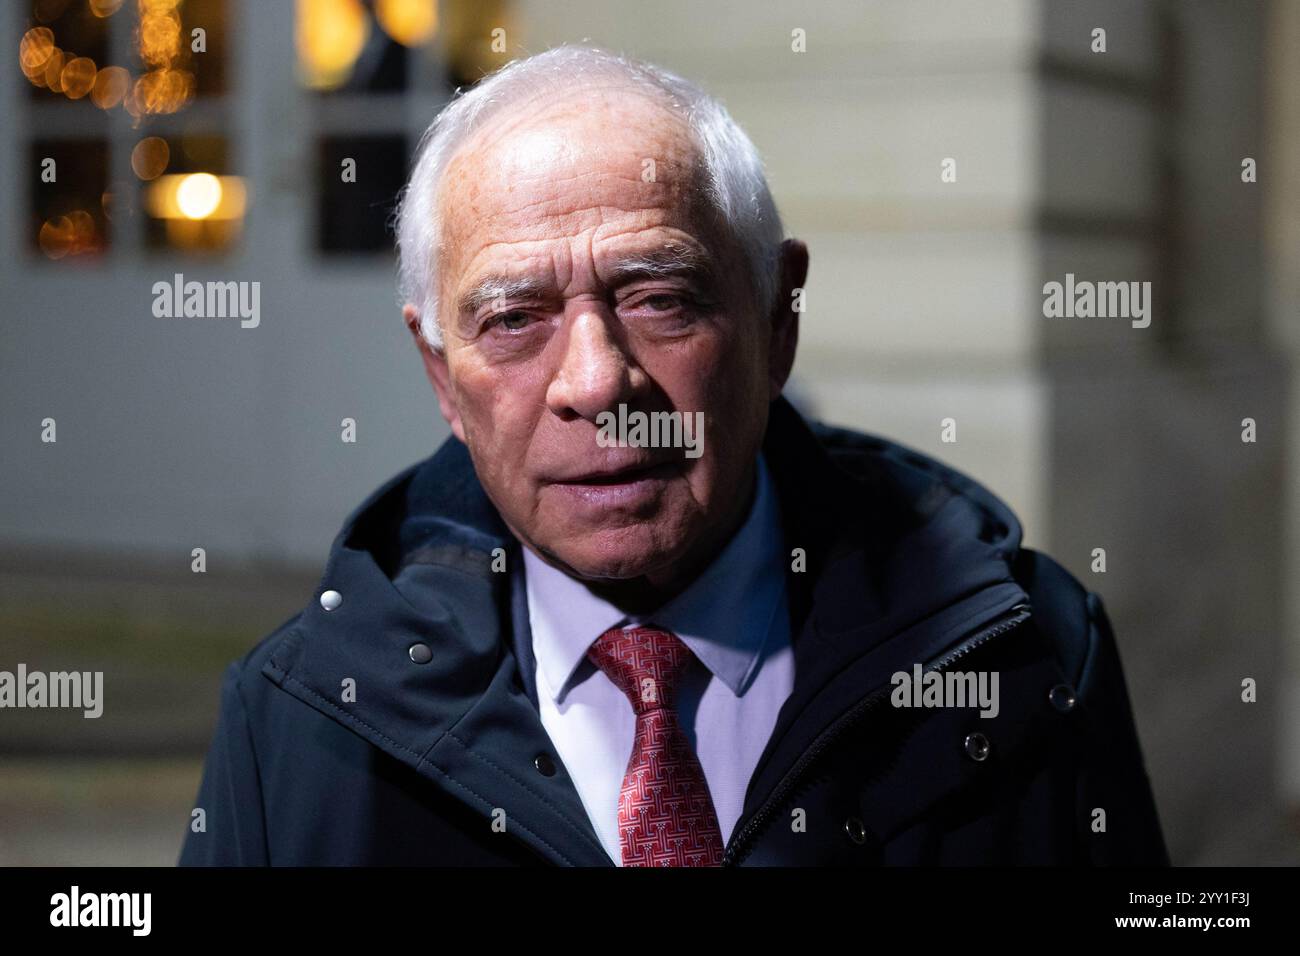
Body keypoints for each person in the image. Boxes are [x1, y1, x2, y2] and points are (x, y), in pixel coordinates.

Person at [179, 45, 1168, 866]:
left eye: (659, 298)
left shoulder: (1032, 653)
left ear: (777, 319)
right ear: (441, 376)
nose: (599, 382)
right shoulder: (296, 722)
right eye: (514, 317)